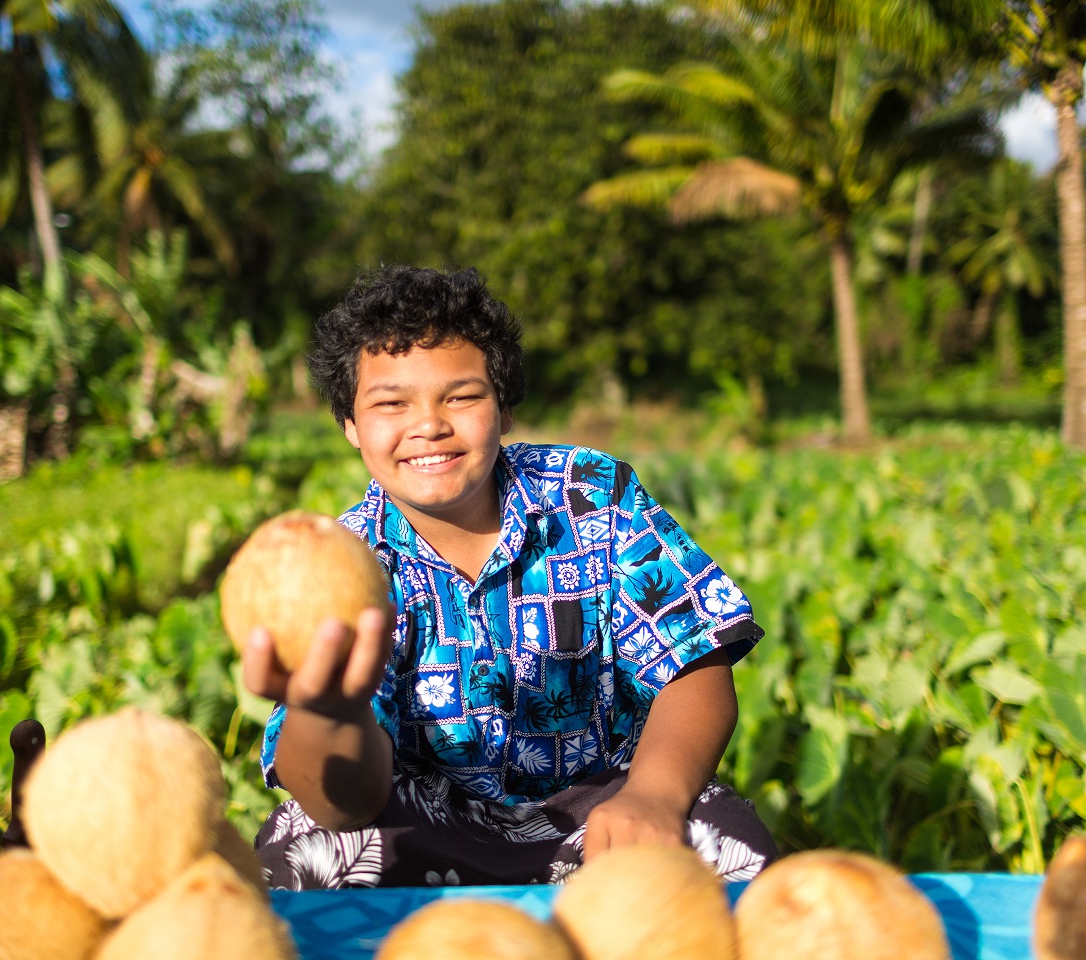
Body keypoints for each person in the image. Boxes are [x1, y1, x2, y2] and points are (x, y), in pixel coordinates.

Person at [241, 264, 778, 889]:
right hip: (418, 823)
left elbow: (694, 662)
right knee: (307, 860)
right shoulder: (344, 564)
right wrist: (322, 715)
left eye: (461, 396)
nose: (429, 425)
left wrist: (654, 797)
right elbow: (346, 800)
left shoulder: (591, 494)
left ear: (505, 408)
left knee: (731, 851)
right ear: (352, 428)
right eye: (391, 404)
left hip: (603, 808)